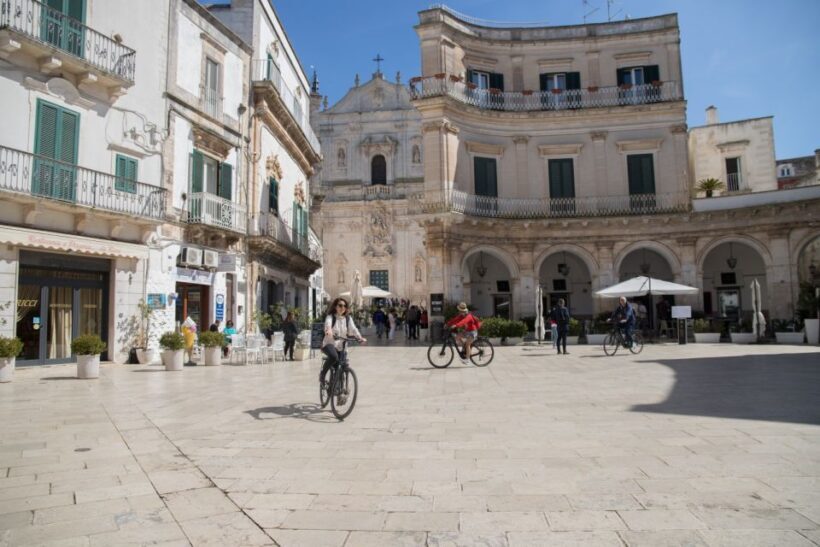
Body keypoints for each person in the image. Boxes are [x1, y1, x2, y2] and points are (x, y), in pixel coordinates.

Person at [320, 298, 366, 391]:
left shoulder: (348, 318)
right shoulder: (331, 317)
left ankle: (335, 389)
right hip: (329, 343)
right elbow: (328, 324)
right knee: (334, 357)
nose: (343, 307)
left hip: (342, 346)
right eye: (340, 305)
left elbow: (353, 329)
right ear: (335, 307)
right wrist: (328, 330)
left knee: (341, 367)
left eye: (344, 306)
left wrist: (360, 338)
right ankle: (322, 375)